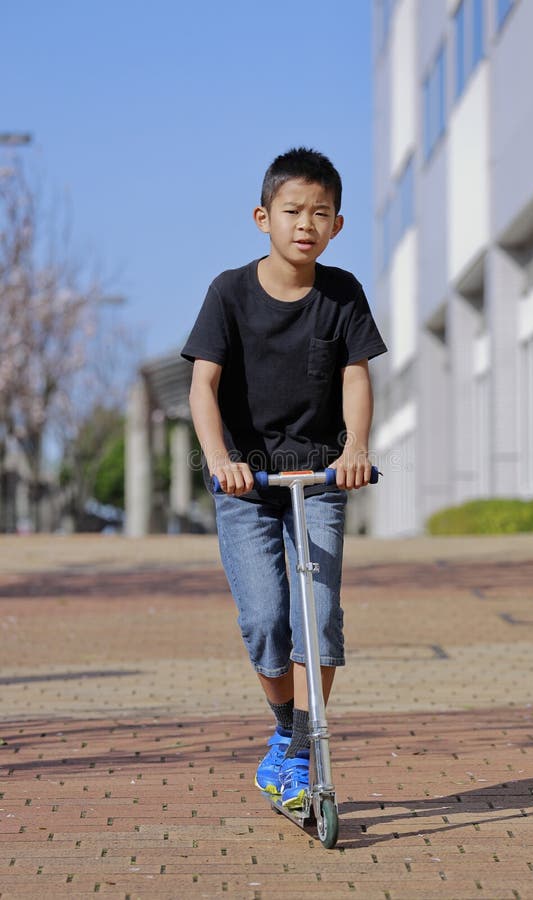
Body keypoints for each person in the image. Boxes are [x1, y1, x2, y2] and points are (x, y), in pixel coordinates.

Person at [181, 147, 387, 809]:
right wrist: (220, 461)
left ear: (338, 225)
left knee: (319, 619)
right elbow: (202, 386)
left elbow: (357, 374)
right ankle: (284, 729)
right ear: (262, 216)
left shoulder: (343, 294)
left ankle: (298, 757)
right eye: (293, 211)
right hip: (248, 486)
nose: (306, 224)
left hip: (320, 477)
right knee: (268, 621)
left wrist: (355, 446)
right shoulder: (229, 293)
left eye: (321, 213)